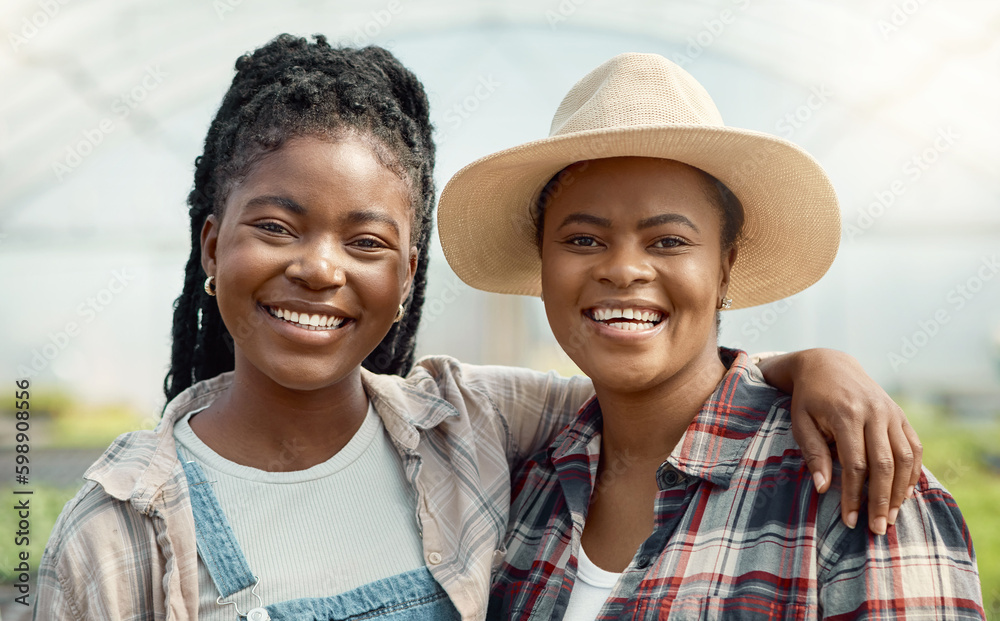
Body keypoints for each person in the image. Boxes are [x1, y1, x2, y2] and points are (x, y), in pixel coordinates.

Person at [35, 37, 924, 621]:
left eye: (367, 240)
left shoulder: (467, 426)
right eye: (275, 225)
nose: (318, 267)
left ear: (406, 274)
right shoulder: (117, 533)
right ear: (210, 242)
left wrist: (808, 366)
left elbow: (658, 385)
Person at [436, 53, 985, 619]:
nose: (624, 270)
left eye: (668, 241)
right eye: (582, 240)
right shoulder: (529, 477)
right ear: (543, 266)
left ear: (724, 268)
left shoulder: (850, 484)